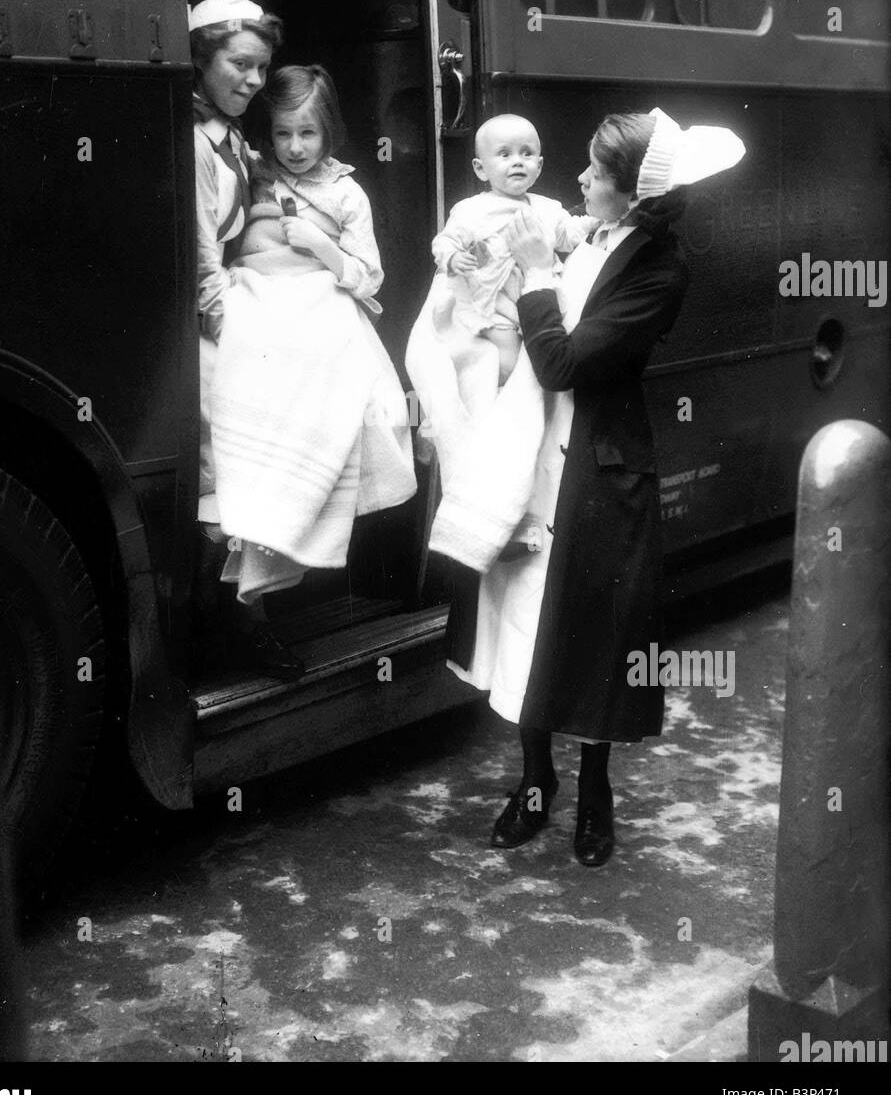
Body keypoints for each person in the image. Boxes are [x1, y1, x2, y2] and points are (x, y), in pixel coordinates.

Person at [445, 107, 745, 867]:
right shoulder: (583, 233)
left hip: (597, 470)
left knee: (593, 637)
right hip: (530, 461)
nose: (577, 180)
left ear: (633, 197)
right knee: (523, 623)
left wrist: (539, 275)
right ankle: (535, 782)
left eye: (594, 174)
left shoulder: (659, 270)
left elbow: (566, 365)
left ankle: (594, 792)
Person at [208, 64, 416, 605]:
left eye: (308, 133)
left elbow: (370, 274)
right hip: (256, 297)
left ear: (328, 132)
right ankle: (255, 508)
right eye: (283, 133)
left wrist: (322, 248)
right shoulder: (254, 171)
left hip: (314, 297)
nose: (295, 147)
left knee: (327, 371)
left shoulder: (345, 193)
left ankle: (298, 511)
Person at [190, 0, 305, 681]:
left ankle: (238, 613)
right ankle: (238, 623)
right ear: (202, 60)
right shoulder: (195, 144)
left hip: (226, 307)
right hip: (199, 321)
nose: (253, 82)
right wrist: (247, 345)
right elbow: (205, 265)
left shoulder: (231, 140)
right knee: (231, 462)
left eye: (262, 69)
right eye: (239, 65)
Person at [432, 114, 597, 384]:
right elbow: (445, 241)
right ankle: (499, 407)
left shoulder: (548, 208)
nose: (517, 161)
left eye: (527, 153)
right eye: (504, 154)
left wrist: (591, 222)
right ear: (480, 168)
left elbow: (566, 236)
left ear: (539, 165)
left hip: (539, 299)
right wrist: (453, 257)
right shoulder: (471, 210)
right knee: (509, 361)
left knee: (543, 355)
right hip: (494, 302)